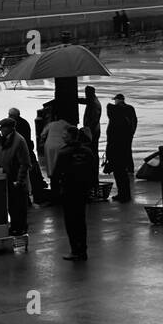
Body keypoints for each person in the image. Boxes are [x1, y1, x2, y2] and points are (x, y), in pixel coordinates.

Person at [52, 127, 97, 260]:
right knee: (81, 221)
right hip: (82, 190)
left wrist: (55, 193)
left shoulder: (64, 153)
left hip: (69, 191)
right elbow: (93, 171)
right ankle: (83, 250)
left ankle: (75, 250)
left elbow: (56, 175)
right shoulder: (87, 151)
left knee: (71, 222)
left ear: (71, 137)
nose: (62, 136)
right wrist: (92, 187)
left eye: (65, 134)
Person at [0, 117, 32, 236]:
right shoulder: (6, 139)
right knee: (11, 205)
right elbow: (2, 158)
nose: (0, 129)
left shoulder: (19, 140)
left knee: (19, 205)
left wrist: (19, 180)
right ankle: (15, 226)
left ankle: (21, 228)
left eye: (3, 127)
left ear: (9, 128)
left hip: (16, 179)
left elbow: (25, 163)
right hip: (8, 177)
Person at [105, 93, 138, 203]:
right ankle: (130, 169)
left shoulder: (116, 116)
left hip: (116, 146)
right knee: (127, 156)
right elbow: (134, 121)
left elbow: (110, 109)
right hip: (127, 138)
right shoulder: (130, 109)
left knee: (119, 173)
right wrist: (132, 133)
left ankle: (123, 194)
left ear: (118, 100)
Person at [78, 86, 103, 195]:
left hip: (93, 132)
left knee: (92, 154)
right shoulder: (94, 101)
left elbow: (92, 121)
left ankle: (93, 180)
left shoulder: (93, 104)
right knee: (94, 153)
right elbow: (85, 101)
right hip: (95, 131)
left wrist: (86, 132)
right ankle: (93, 180)